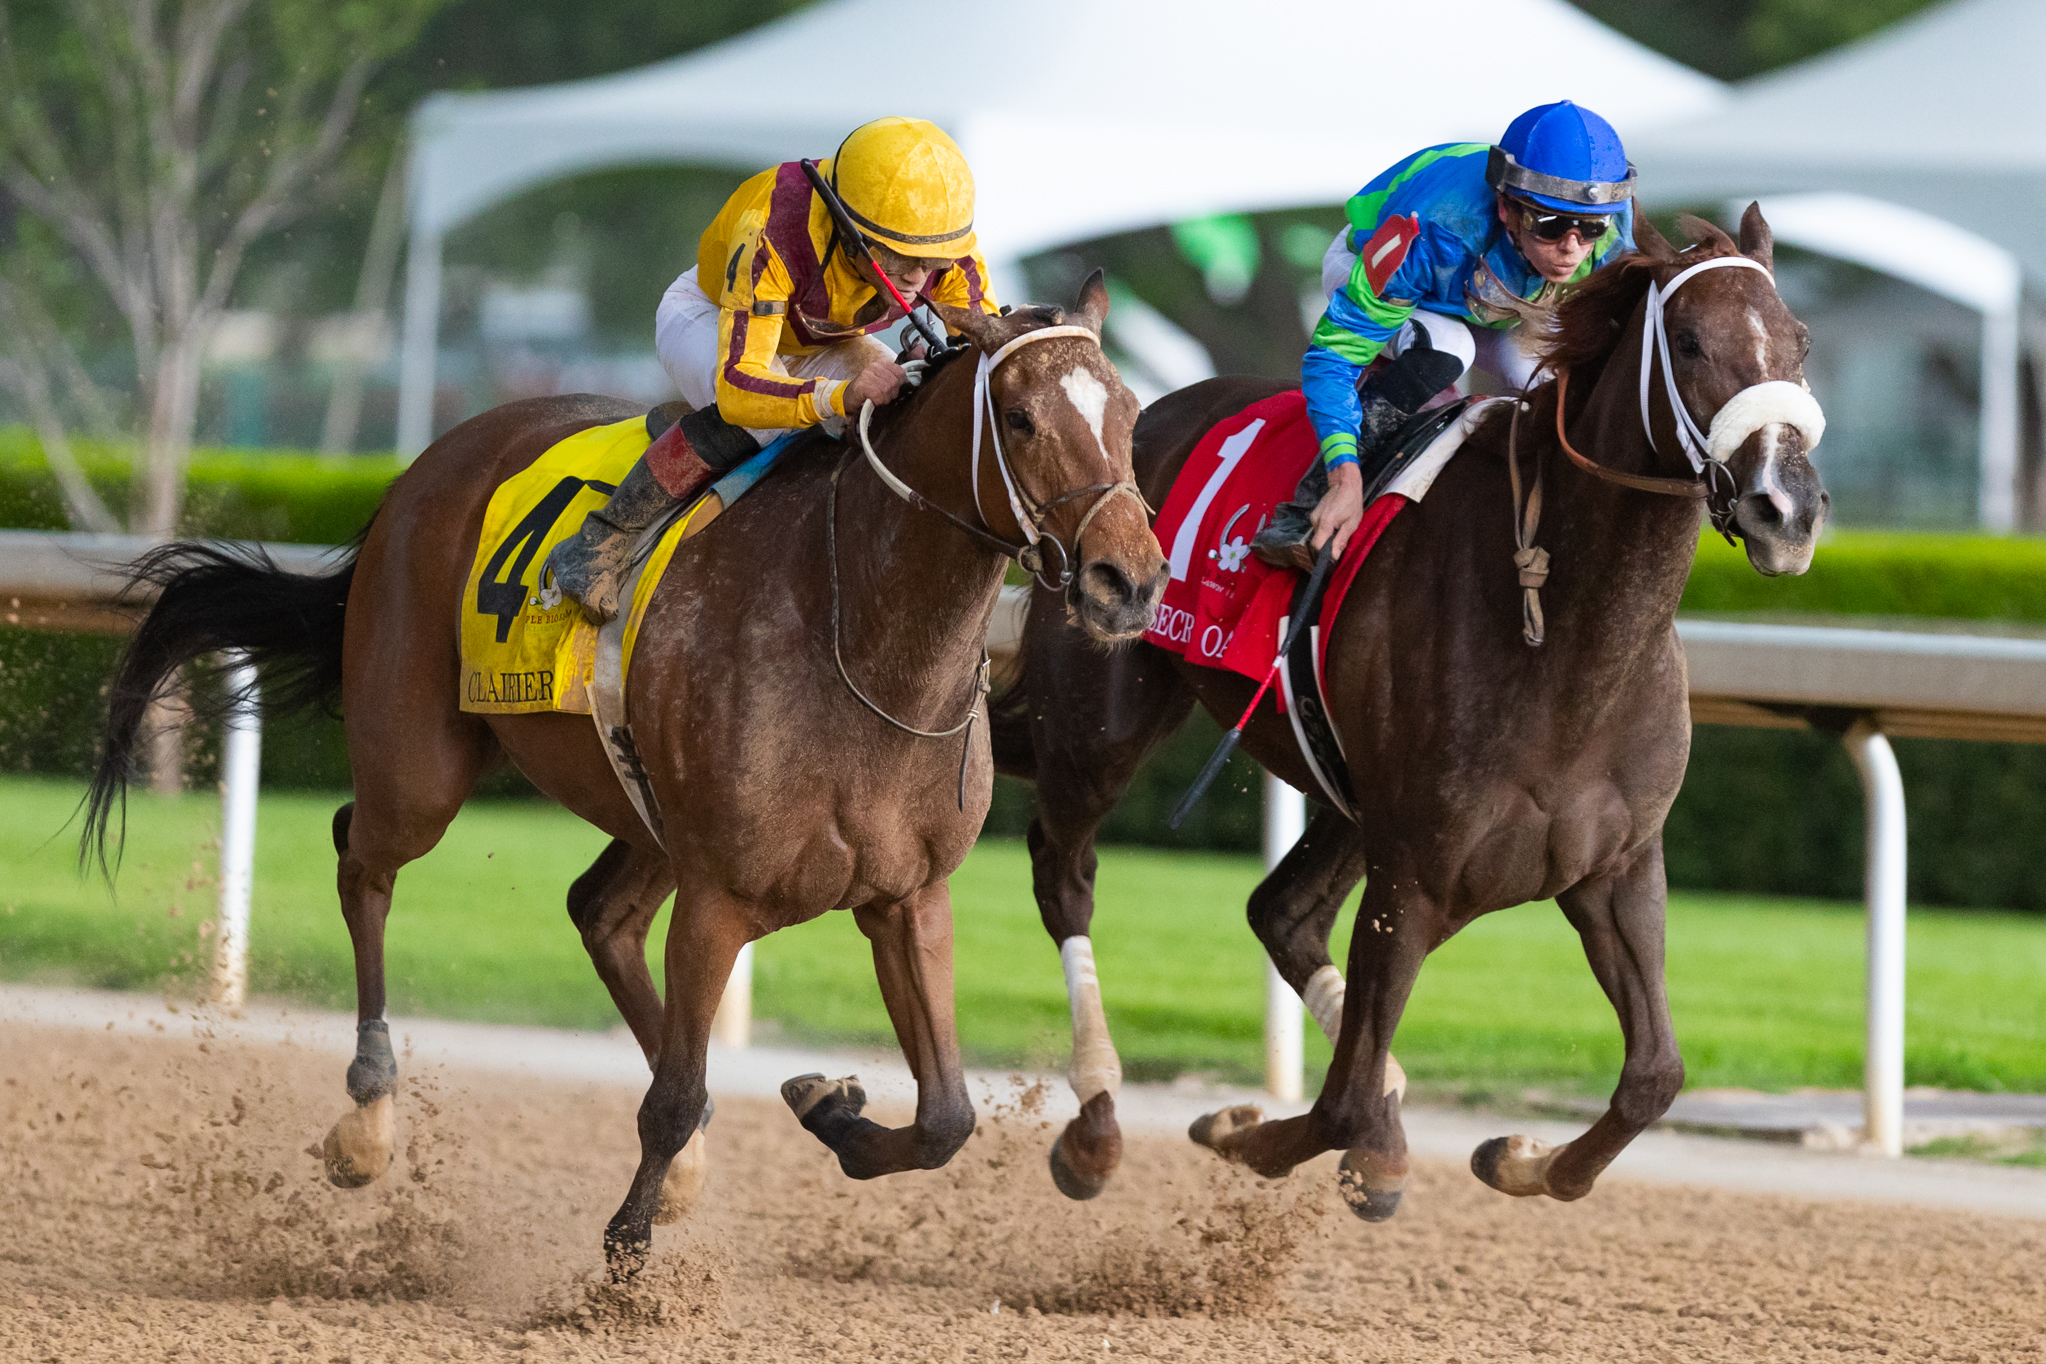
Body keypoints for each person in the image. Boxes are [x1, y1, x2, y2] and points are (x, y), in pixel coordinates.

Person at [548, 116, 1001, 620]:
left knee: (893, 413)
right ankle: (602, 540)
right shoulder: (774, 229)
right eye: (902, 258)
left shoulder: (941, 244)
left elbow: (983, 353)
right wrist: (835, 396)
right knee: (761, 421)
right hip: (707, 316)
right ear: (848, 228)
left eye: (933, 262)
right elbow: (742, 385)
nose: (921, 276)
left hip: (824, 335)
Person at [1251, 100, 1638, 571]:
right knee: (1452, 348)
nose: (1572, 247)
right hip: (1373, 262)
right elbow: (1332, 358)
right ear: (1506, 207)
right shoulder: (1432, 230)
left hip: (1479, 297)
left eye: (1590, 228)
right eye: (1551, 224)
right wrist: (1343, 478)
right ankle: (1306, 507)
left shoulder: (1610, 229)